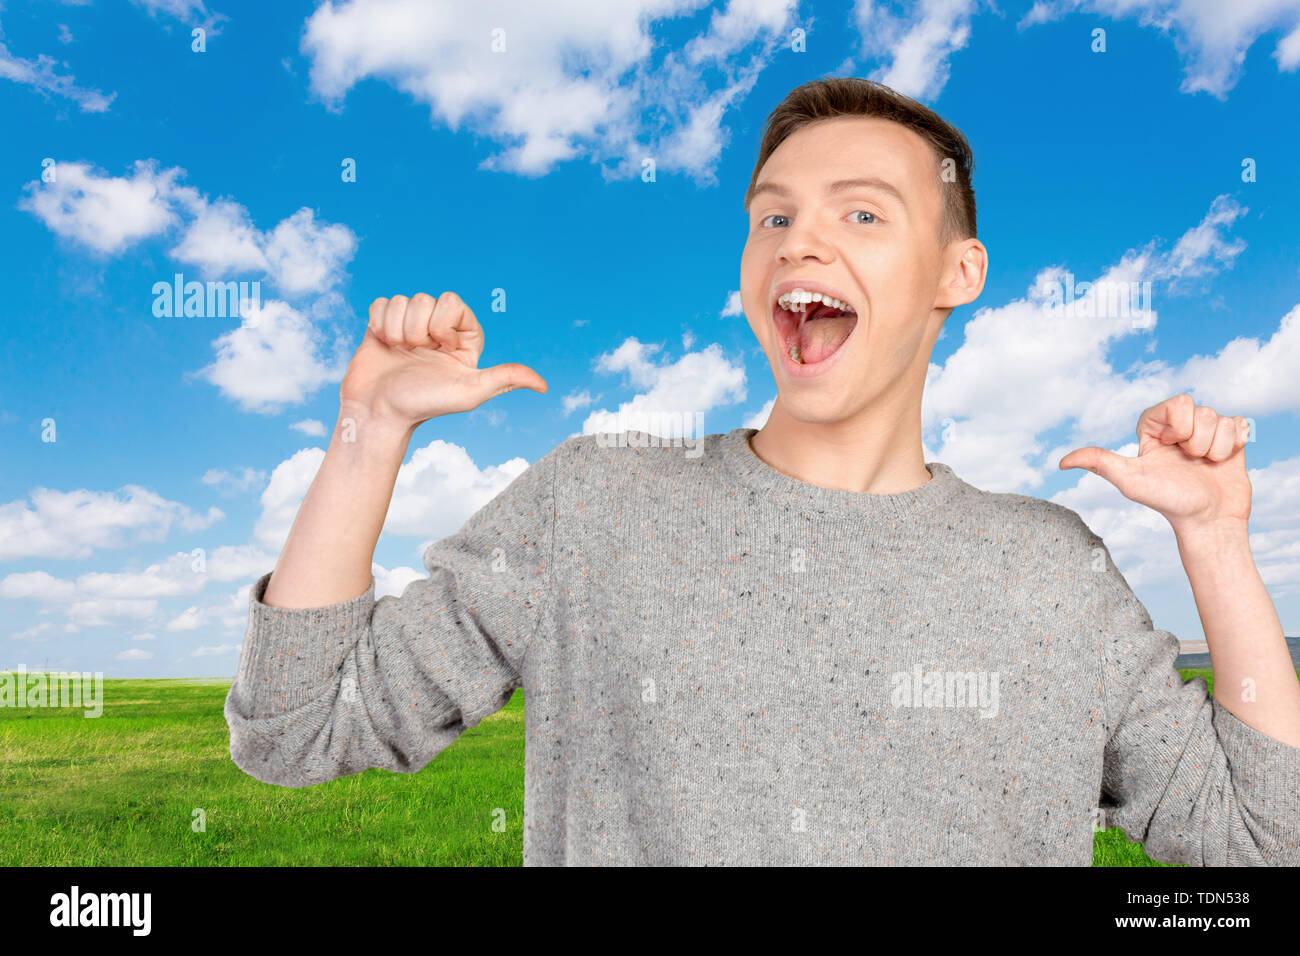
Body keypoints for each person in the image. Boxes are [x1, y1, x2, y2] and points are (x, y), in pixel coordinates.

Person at [224, 76, 1300, 865]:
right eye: (773, 216)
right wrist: (366, 430)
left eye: (862, 213)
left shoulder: (1051, 570)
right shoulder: (598, 501)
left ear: (955, 273)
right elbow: (296, 725)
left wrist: (1213, 543)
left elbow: (1261, 836)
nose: (799, 242)